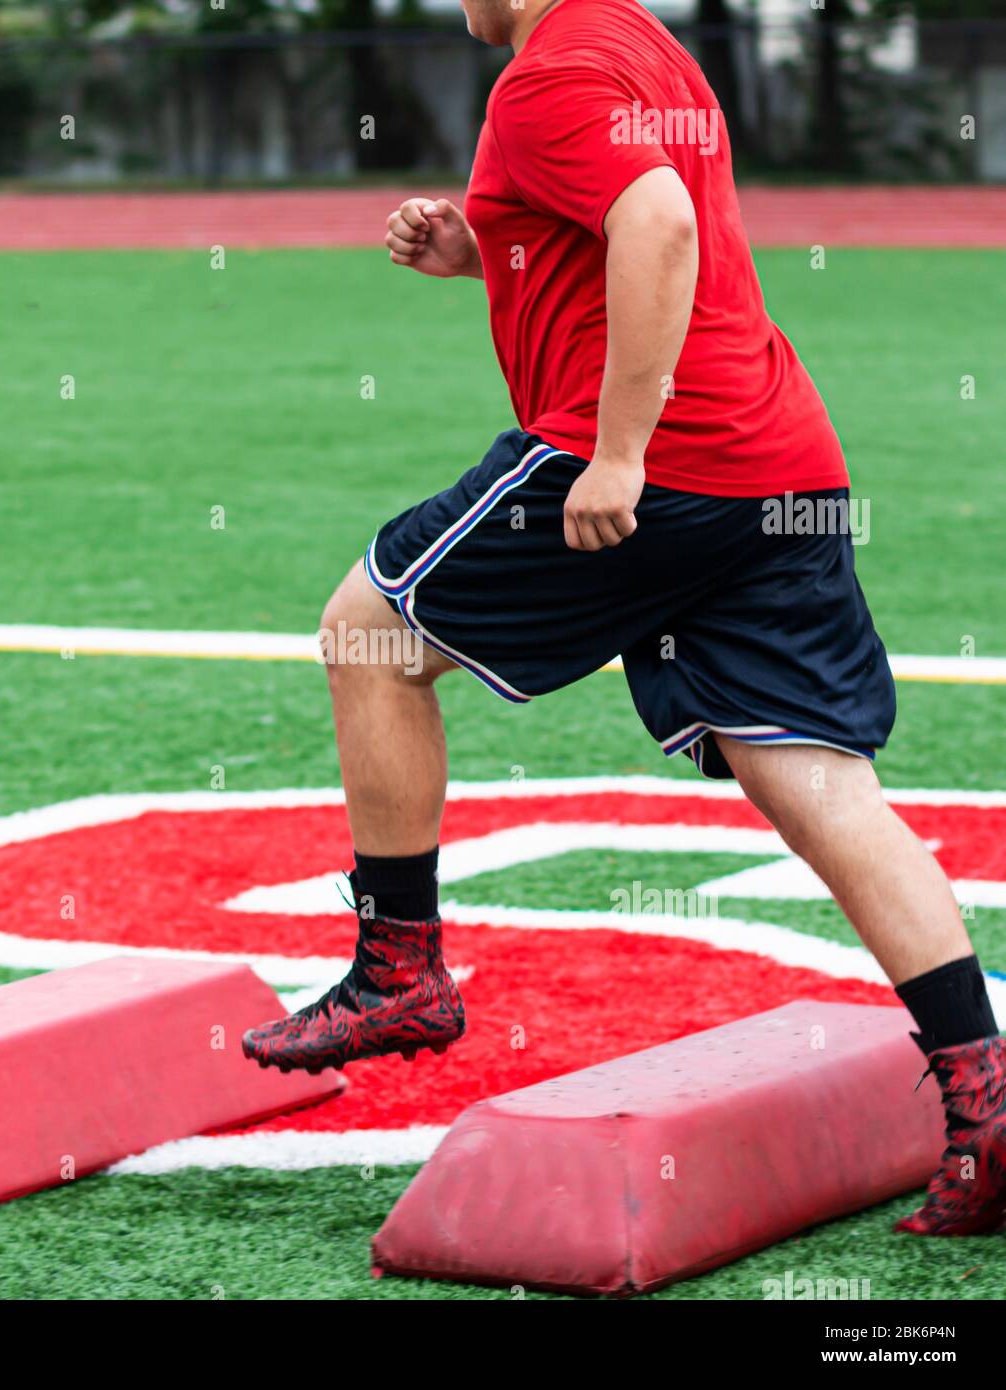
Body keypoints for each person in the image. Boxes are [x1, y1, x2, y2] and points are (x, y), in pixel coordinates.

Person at [242, 0, 1003, 1237]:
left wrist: (618, 453)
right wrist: (485, 247)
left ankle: (398, 969)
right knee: (810, 778)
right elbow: (618, 221)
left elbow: (654, 221)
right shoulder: (645, 45)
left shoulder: (544, 76)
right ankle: (984, 1091)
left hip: (664, 463)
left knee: (368, 634)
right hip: (778, 466)